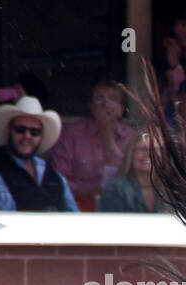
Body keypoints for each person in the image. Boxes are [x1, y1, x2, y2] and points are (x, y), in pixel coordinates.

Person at [47, 79, 135, 209]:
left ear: (122, 109)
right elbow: (58, 180)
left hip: (119, 206)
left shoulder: (130, 137)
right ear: (91, 106)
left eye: (112, 99)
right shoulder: (71, 134)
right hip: (76, 206)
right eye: (99, 98)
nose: (105, 103)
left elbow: (128, 175)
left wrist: (107, 133)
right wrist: (92, 191)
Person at [0, 95, 78, 212]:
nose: (27, 136)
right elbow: (8, 220)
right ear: (8, 131)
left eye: (34, 132)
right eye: (20, 130)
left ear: (41, 137)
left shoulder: (55, 176)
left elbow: (75, 216)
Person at [98, 133, 169, 213]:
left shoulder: (171, 189)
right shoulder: (116, 190)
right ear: (131, 153)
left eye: (155, 150)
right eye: (143, 149)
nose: (149, 154)